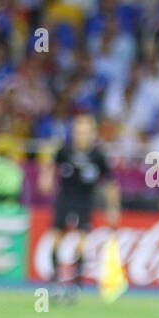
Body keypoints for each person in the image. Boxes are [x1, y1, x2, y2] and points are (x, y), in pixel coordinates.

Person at [39, 113, 119, 298]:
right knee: (57, 238)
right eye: (78, 131)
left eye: (85, 131)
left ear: (92, 133)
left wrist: (113, 207)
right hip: (65, 197)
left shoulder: (98, 156)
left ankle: (76, 283)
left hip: (85, 200)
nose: (81, 135)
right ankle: (55, 280)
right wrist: (46, 179)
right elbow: (50, 166)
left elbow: (111, 183)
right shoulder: (64, 151)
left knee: (82, 242)